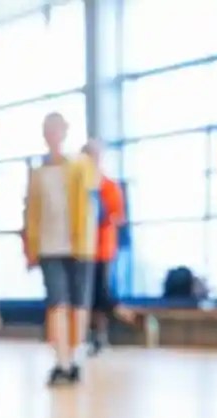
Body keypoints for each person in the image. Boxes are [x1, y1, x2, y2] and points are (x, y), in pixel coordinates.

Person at [24, 112, 97, 386]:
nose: (52, 135)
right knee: (57, 304)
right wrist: (30, 246)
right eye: (48, 130)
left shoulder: (80, 166)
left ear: (64, 132)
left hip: (80, 246)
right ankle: (61, 361)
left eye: (56, 129)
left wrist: (92, 157)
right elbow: (31, 212)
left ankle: (76, 356)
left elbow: (95, 187)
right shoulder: (38, 173)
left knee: (78, 305)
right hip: (49, 246)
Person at [83, 140, 133, 354]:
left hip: (102, 248)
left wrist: (104, 216)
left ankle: (108, 327)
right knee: (90, 295)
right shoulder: (80, 186)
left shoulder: (109, 186)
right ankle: (96, 333)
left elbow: (117, 216)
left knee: (101, 292)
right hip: (82, 248)